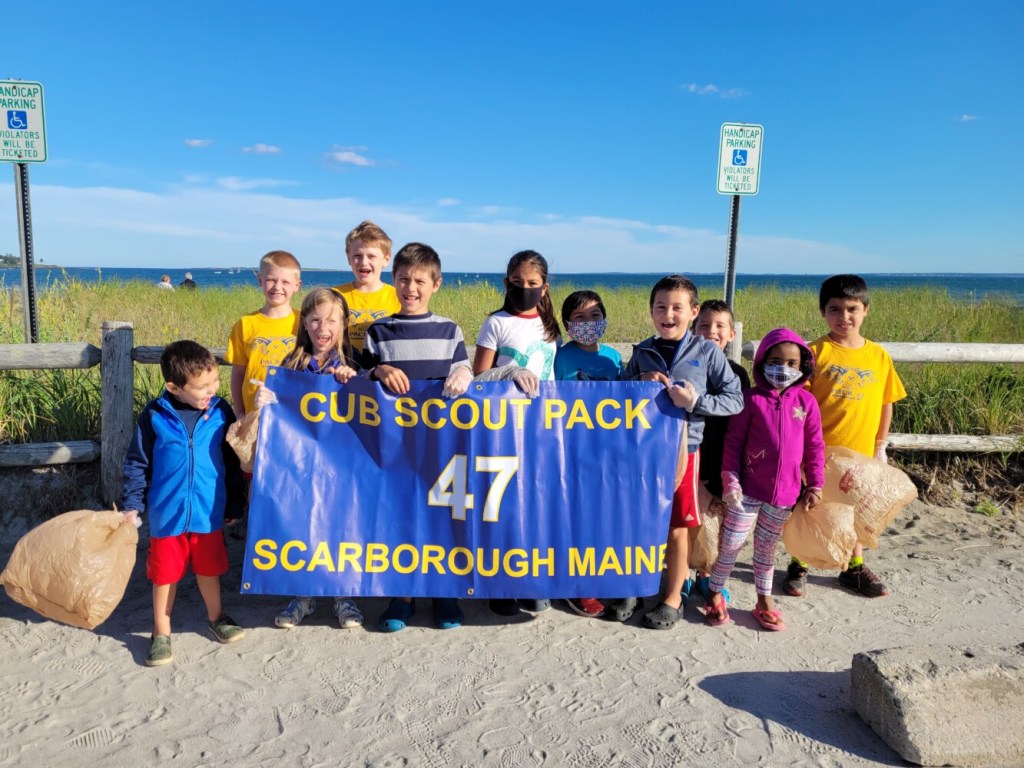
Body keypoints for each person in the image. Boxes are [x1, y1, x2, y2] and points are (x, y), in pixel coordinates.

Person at [618, 275, 743, 629]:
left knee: (677, 527)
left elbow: (735, 399)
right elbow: (617, 396)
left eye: (677, 307)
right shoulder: (641, 351)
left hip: (685, 453)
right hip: (641, 452)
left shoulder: (708, 352)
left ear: (693, 311)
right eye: (661, 307)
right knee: (638, 521)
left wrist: (697, 402)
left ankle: (672, 597)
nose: (668, 314)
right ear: (651, 312)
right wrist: (636, 385)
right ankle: (633, 587)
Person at [361, 242, 475, 632]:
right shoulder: (378, 331)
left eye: (420, 281)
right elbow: (357, 380)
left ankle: (444, 592)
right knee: (400, 518)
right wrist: (378, 372)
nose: (411, 287)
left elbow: (464, 369)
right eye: (404, 279)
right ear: (393, 280)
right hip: (394, 448)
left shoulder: (449, 330)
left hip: (443, 444)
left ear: (436, 284)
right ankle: (403, 594)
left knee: (443, 517)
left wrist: (463, 374)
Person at [121, 341, 247, 667]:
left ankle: (217, 616)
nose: (212, 389)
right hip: (167, 513)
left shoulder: (221, 411)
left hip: (208, 512)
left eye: (215, 381)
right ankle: (161, 630)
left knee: (209, 568)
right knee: (165, 574)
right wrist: (132, 505)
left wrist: (235, 504)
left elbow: (232, 463)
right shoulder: (155, 416)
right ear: (173, 387)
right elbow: (138, 463)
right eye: (202, 386)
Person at [784, 274, 907, 598]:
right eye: (835, 309)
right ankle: (799, 563)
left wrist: (881, 446)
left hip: (861, 453)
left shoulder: (878, 356)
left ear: (865, 310)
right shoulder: (813, 353)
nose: (844, 317)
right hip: (817, 452)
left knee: (855, 513)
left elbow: (885, 403)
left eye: (852, 308)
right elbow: (798, 404)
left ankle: (852, 569)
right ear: (823, 312)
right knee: (811, 508)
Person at [704, 328, 825, 631]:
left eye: (791, 363)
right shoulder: (750, 400)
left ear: (802, 367)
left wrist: (815, 484)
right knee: (731, 544)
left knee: (766, 549)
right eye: (774, 361)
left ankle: (764, 599)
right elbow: (732, 444)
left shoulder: (807, 403)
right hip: (745, 492)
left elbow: (814, 447)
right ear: (761, 363)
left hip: (785, 494)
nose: (782, 368)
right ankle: (715, 592)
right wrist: (730, 480)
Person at [259, 288, 365, 630]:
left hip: (342, 467)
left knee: (340, 527)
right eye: (315, 319)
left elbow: (368, 413)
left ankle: (344, 596)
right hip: (300, 465)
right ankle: (302, 597)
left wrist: (354, 383)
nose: (323, 327)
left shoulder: (353, 365)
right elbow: (279, 412)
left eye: (331, 320)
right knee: (301, 525)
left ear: (343, 324)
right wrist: (266, 398)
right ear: (303, 322)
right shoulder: (290, 366)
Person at [474, 249, 561, 615]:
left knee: (536, 503)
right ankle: (500, 585)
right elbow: (478, 379)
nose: (524, 288)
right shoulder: (496, 322)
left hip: (543, 427)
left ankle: (529, 580)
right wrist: (510, 374)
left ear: (544, 287)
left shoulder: (549, 325)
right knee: (504, 505)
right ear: (506, 282)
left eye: (532, 283)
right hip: (503, 427)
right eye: (517, 283)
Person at [554, 290, 621, 618]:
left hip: (606, 455)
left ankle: (598, 576)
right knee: (573, 520)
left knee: (601, 520)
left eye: (595, 316)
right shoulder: (561, 357)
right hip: (570, 453)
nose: (588, 324)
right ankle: (577, 587)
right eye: (579, 318)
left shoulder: (613, 358)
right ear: (567, 324)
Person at [689, 299, 752, 606]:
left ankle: (709, 577)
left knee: (719, 524)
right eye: (703, 325)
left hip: (726, 460)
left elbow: (741, 425)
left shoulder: (738, 374)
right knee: (693, 522)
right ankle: (689, 575)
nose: (711, 331)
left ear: (731, 334)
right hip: (693, 458)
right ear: (693, 329)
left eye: (719, 326)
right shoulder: (687, 367)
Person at [226, 250, 302, 419]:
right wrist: (240, 413)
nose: (277, 287)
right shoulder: (245, 324)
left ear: (297, 285)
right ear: (260, 280)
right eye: (271, 280)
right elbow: (238, 374)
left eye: (285, 282)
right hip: (254, 414)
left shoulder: (305, 322)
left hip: (293, 414)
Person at [333, 220, 401, 354]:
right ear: (348, 258)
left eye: (371, 256)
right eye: (357, 256)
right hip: (343, 369)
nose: (364, 262)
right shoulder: (335, 296)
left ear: (386, 259)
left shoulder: (398, 297)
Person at [554, 290, 623, 382]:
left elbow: (622, 390)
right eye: (580, 316)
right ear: (567, 325)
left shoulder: (614, 356)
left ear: (604, 319)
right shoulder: (559, 358)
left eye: (595, 315)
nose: (589, 320)